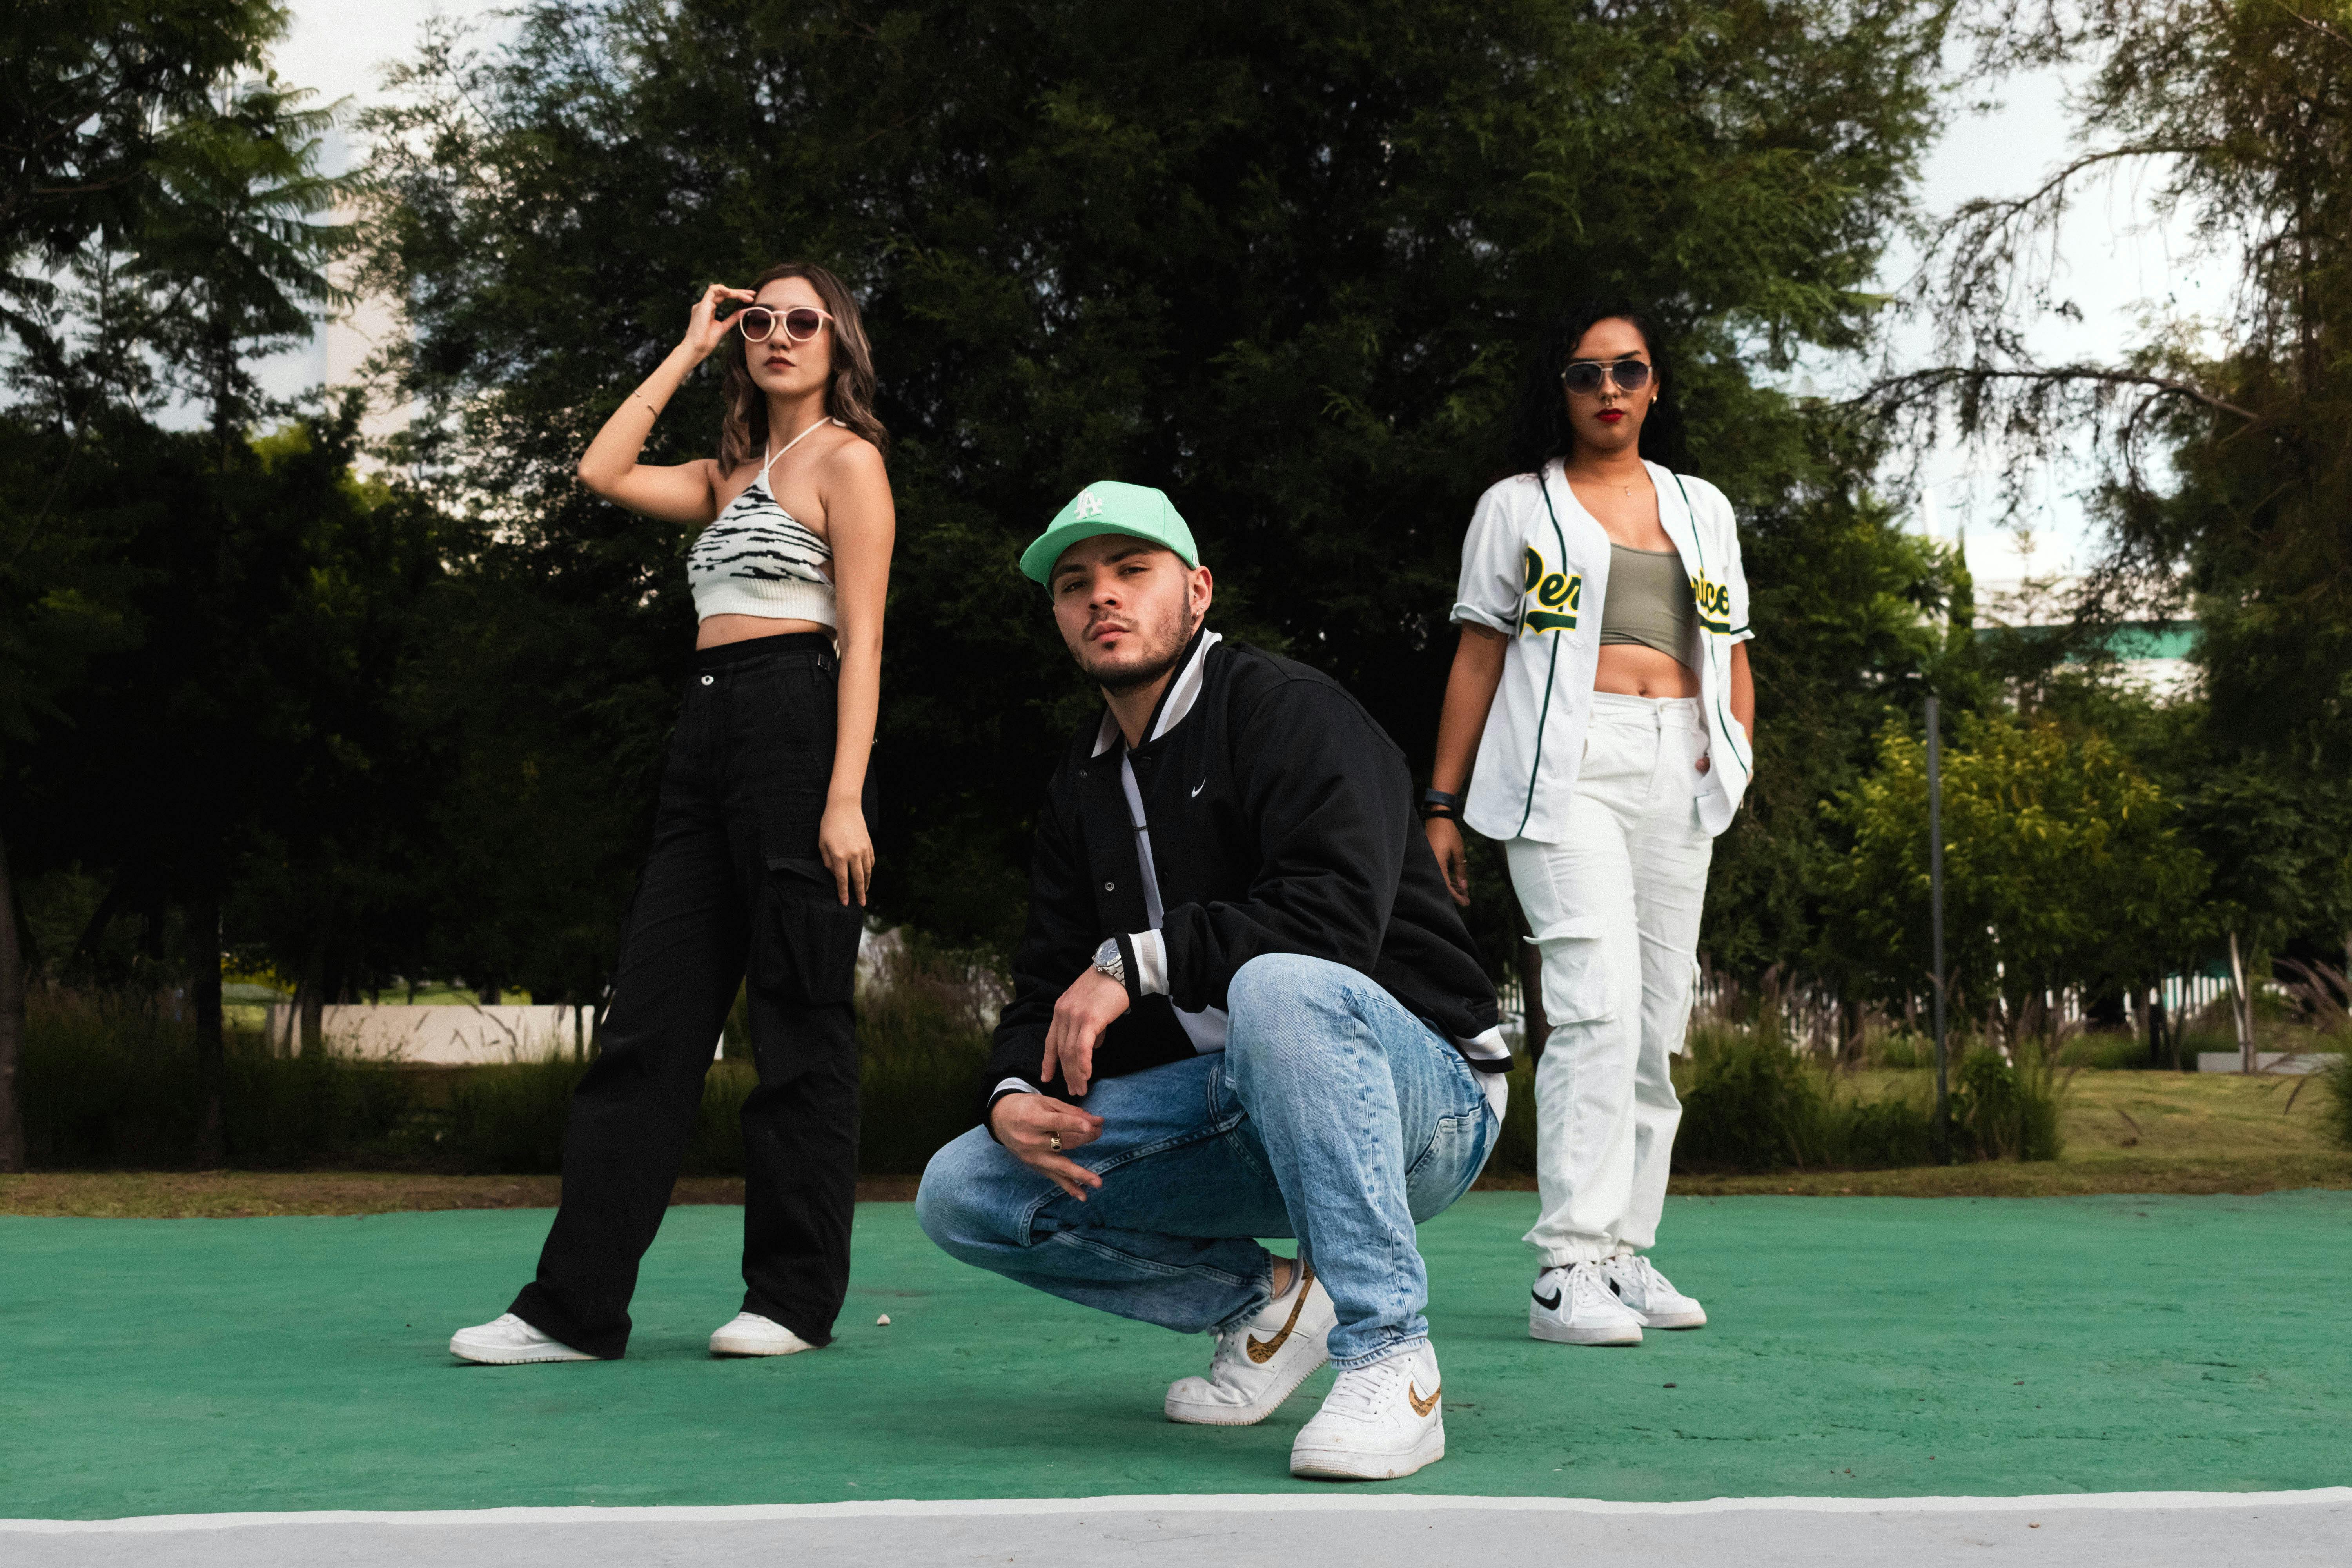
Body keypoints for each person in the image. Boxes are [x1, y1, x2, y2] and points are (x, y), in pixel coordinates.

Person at [915, 482, 1511, 1482]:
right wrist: (1014, 1089)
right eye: (1074, 584)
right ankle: (1270, 1303)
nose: (1102, 597)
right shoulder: (1082, 778)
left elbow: (1333, 924)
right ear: (1058, 616)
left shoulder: (1290, 710)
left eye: (1131, 571)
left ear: (1196, 592)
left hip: (1424, 1099)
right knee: (965, 1186)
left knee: (1279, 987)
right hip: (1238, 1105)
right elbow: (1046, 977)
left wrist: (1135, 960)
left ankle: (1392, 1359)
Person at [450, 263, 895, 1365]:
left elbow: (865, 639)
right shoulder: (724, 474)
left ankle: (792, 1299)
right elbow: (600, 468)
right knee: (649, 1024)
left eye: (804, 321)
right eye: (761, 320)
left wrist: (845, 795)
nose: (779, 334)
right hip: (705, 733)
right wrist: (691, 344)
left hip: (799, 727)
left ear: (838, 341)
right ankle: (573, 1309)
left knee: (798, 1017)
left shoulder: (849, 461)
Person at [1421, 301, 1754, 1349]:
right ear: (1559, 391)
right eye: (1585, 373)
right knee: (1592, 1003)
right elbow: (1479, 653)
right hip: (1566, 767)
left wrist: (1733, 754)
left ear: (1656, 385)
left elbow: (1734, 651)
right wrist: (1441, 803)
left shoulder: (1703, 508)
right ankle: (1566, 1266)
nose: (1609, 389)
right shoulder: (1518, 506)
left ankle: (1622, 1250)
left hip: (1679, 764)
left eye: (1629, 370)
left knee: (1657, 1019)